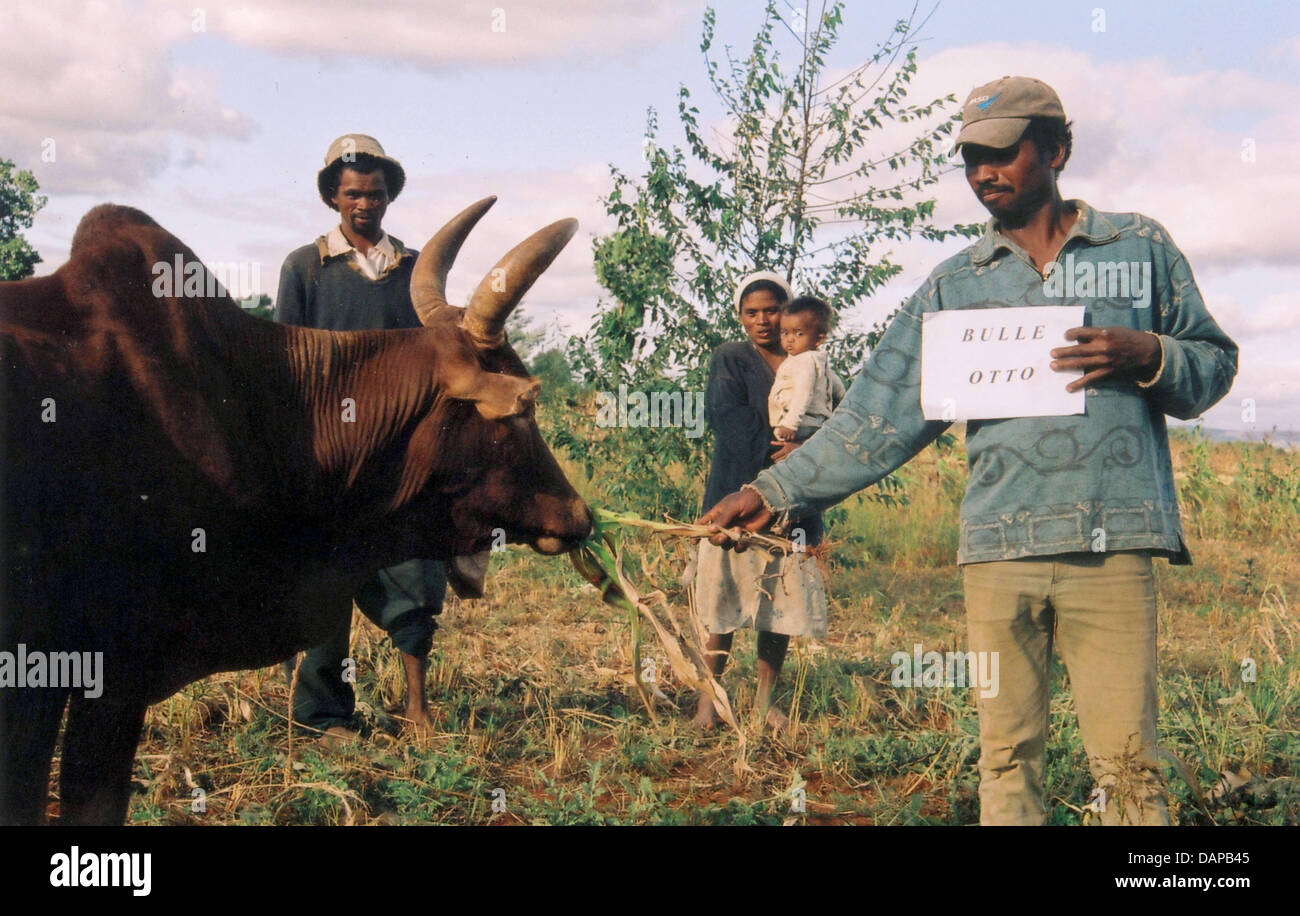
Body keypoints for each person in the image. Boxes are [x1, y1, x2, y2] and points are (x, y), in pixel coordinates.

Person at [700, 76, 1238, 824]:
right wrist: (774, 489)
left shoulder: (1139, 250)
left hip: (1112, 547)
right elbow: (874, 419)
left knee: (1128, 766)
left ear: (1054, 149)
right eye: (970, 160)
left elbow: (1212, 367)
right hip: (998, 551)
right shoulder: (954, 288)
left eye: (1001, 153)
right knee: (1006, 758)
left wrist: (1148, 351)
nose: (984, 172)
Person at [275, 133, 449, 745]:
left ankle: (417, 709)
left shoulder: (417, 267)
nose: (363, 204)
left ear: (388, 196)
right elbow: (286, 358)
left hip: (399, 450)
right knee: (324, 579)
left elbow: (436, 356)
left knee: (414, 575)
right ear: (333, 197)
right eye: (352, 193)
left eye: (374, 193)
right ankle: (323, 715)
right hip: (329, 450)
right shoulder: (304, 265)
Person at [691, 271, 831, 734]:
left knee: (780, 607)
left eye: (772, 309)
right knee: (722, 604)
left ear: (787, 311)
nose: (763, 320)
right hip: (734, 498)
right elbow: (729, 425)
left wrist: (807, 454)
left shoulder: (812, 361)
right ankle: (708, 703)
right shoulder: (730, 358)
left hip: (796, 507)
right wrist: (789, 456)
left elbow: (838, 419)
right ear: (740, 317)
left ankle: (765, 705)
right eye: (752, 312)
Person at [769, 295, 846, 443]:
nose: (790, 339)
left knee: (779, 438)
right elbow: (836, 385)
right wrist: (845, 402)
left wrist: (790, 424)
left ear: (818, 339)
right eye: (785, 332)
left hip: (799, 422)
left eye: (798, 333)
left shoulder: (804, 360)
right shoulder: (818, 360)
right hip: (815, 422)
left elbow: (803, 392)